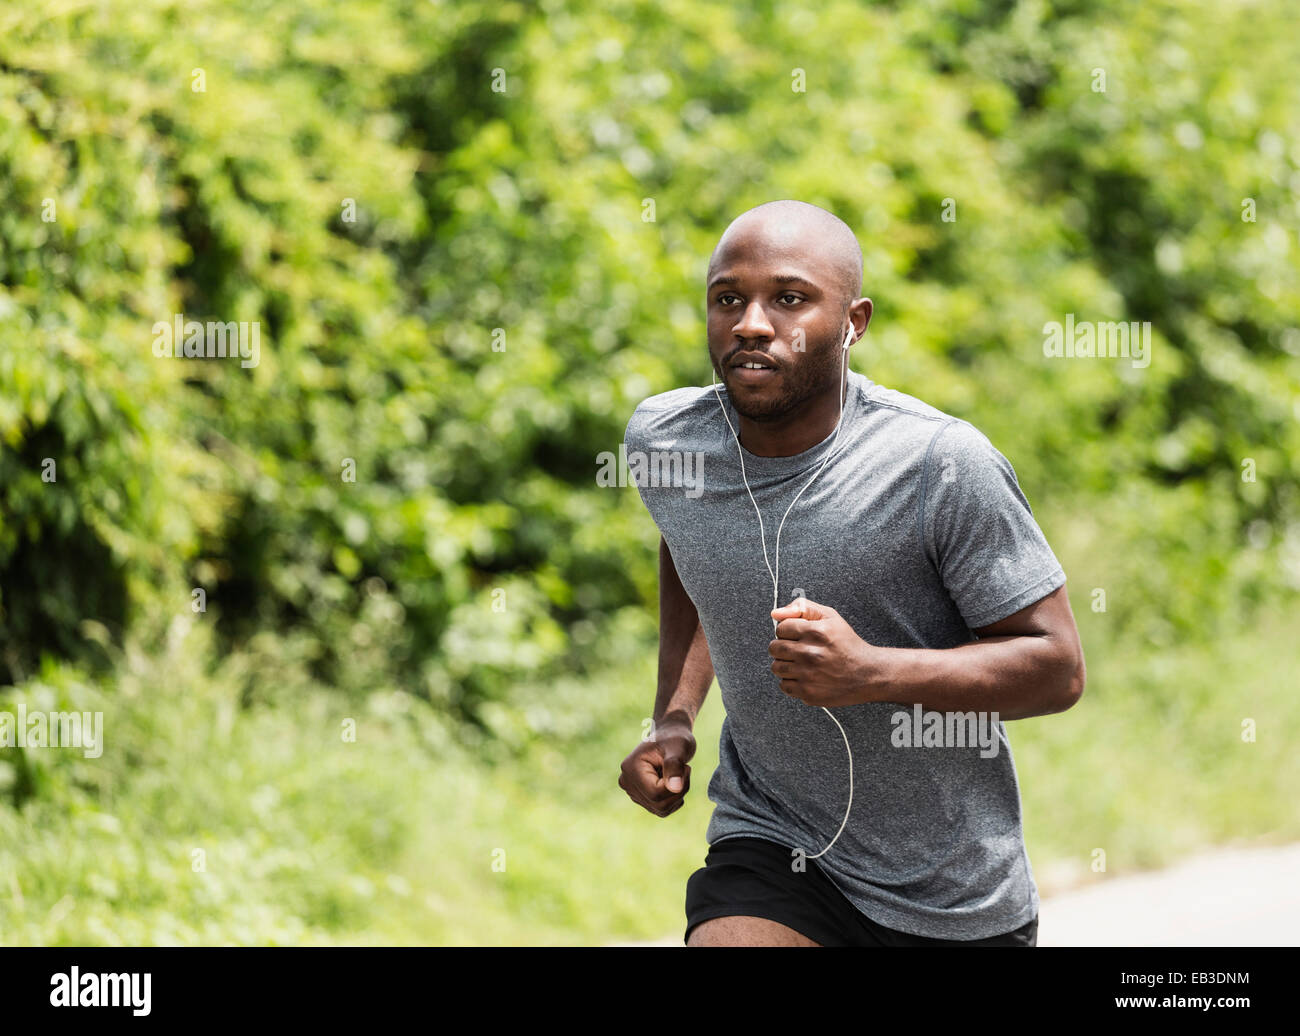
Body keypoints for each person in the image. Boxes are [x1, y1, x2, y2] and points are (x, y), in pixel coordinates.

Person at [617, 199, 1086, 947]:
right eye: (727, 298)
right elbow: (687, 543)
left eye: (791, 298)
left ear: (854, 322)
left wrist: (871, 672)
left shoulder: (939, 465)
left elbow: (1057, 669)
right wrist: (673, 716)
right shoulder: (667, 443)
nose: (752, 323)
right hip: (771, 837)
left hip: (949, 889)